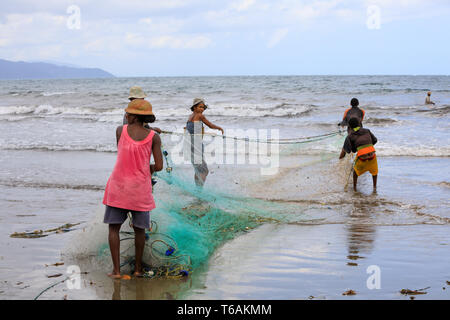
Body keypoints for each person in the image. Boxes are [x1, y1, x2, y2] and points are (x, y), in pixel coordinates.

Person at [103, 99, 163, 279]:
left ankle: (116, 271)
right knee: (139, 231)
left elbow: (122, 153)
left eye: (128, 113)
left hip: (118, 187)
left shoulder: (120, 130)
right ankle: (137, 269)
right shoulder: (154, 137)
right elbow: (159, 166)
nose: (126, 115)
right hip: (140, 190)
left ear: (134, 116)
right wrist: (147, 168)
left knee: (114, 229)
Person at [186, 98, 224, 187]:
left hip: (190, 144)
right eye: (200, 107)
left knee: (198, 169)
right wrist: (219, 128)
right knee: (204, 171)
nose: (202, 109)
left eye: (203, 107)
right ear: (194, 107)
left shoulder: (190, 117)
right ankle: (199, 191)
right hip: (196, 145)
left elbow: (189, 130)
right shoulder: (200, 116)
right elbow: (210, 125)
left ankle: (197, 189)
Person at [339, 117, 378, 191]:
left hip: (362, 157)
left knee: (355, 172)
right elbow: (375, 140)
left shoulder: (350, 136)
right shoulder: (367, 131)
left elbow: (350, 150)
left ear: (349, 127)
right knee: (374, 172)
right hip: (372, 156)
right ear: (359, 124)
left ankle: (354, 188)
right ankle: (374, 187)